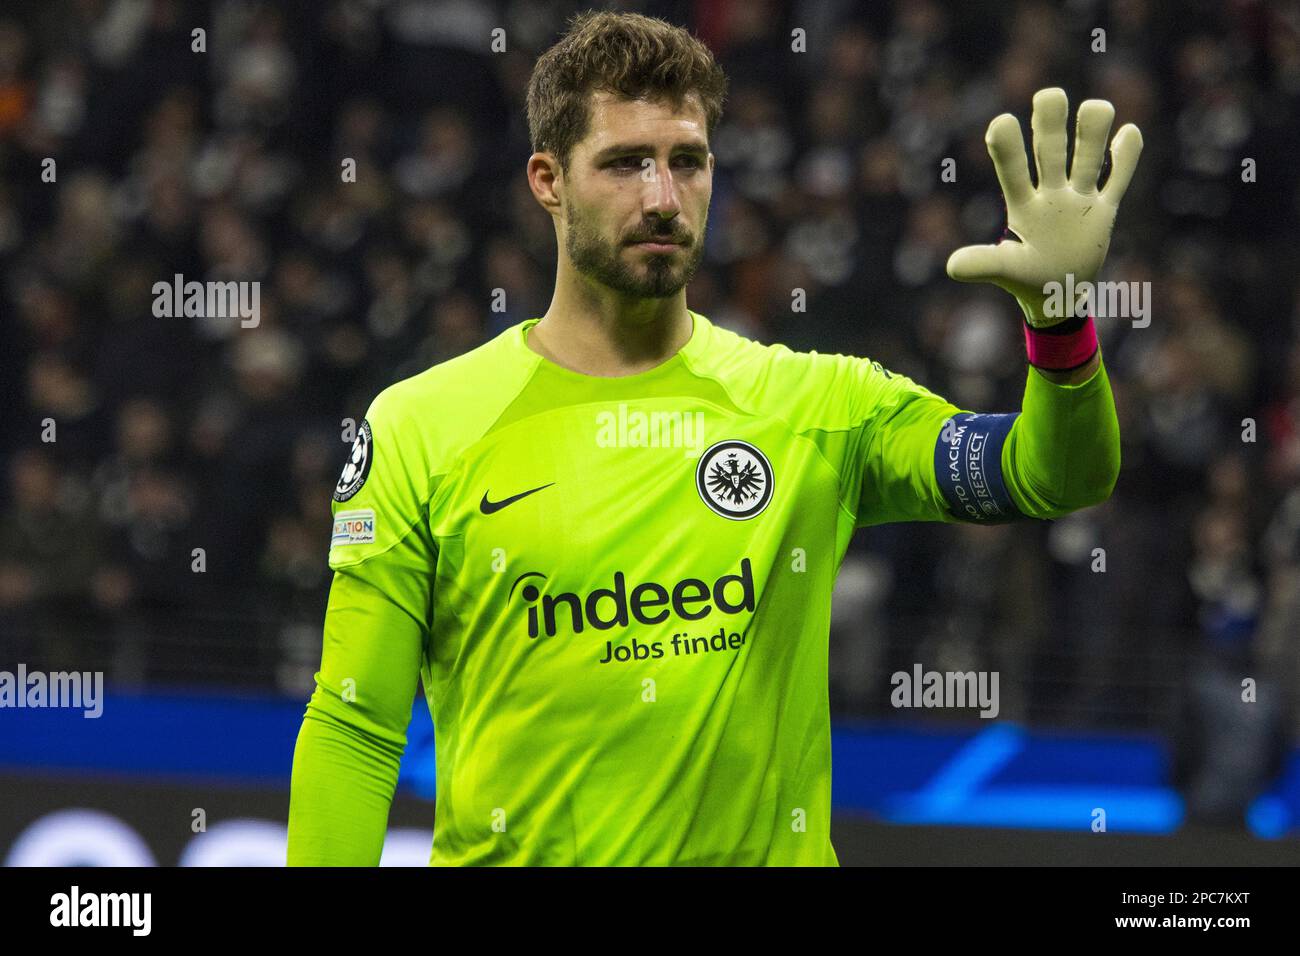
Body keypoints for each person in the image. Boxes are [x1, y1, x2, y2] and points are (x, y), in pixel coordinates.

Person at [287, 10, 1140, 865]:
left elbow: (1050, 475)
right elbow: (356, 725)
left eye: (686, 162)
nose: (662, 197)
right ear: (548, 180)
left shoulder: (816, 405)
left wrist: (1060, 327)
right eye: (625, 164)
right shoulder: (421, 426)